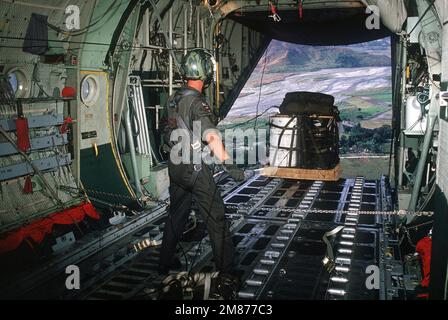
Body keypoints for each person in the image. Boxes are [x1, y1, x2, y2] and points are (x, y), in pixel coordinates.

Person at [159, 48, 244, 296]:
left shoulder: (172, 99)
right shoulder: (197, 102)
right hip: (195, 169)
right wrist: (232, 167)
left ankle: (163, 264)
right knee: (216, 218)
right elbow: (211, 136)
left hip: (175, 168)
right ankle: (227, 273)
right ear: (205, 72)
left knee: (177, 216)